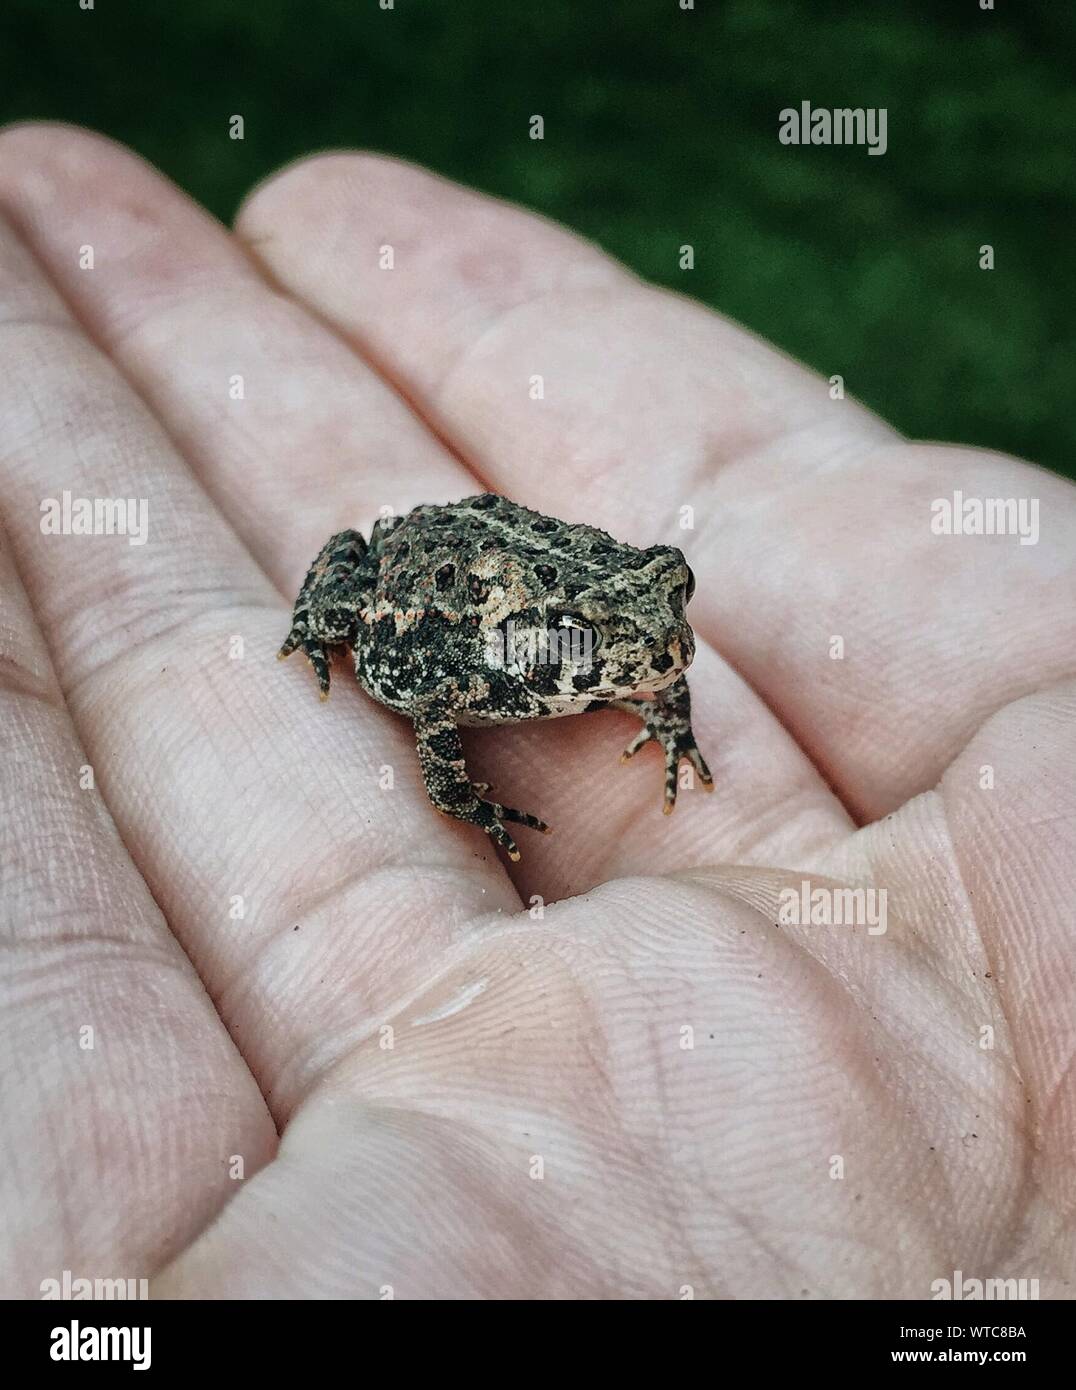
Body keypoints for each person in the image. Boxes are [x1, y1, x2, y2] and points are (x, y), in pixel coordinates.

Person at [1, 124, 1073, 1299]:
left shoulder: (625, 634)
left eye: (668, 621)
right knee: (374, 643)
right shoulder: (517, 663)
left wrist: (667, 711)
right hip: (430, 572)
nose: (664, 655)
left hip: (535, 585)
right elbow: (422, 697)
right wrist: (465, 797)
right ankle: (321, 620)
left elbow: (651, 642)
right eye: (632, 648)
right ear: (577, 640)